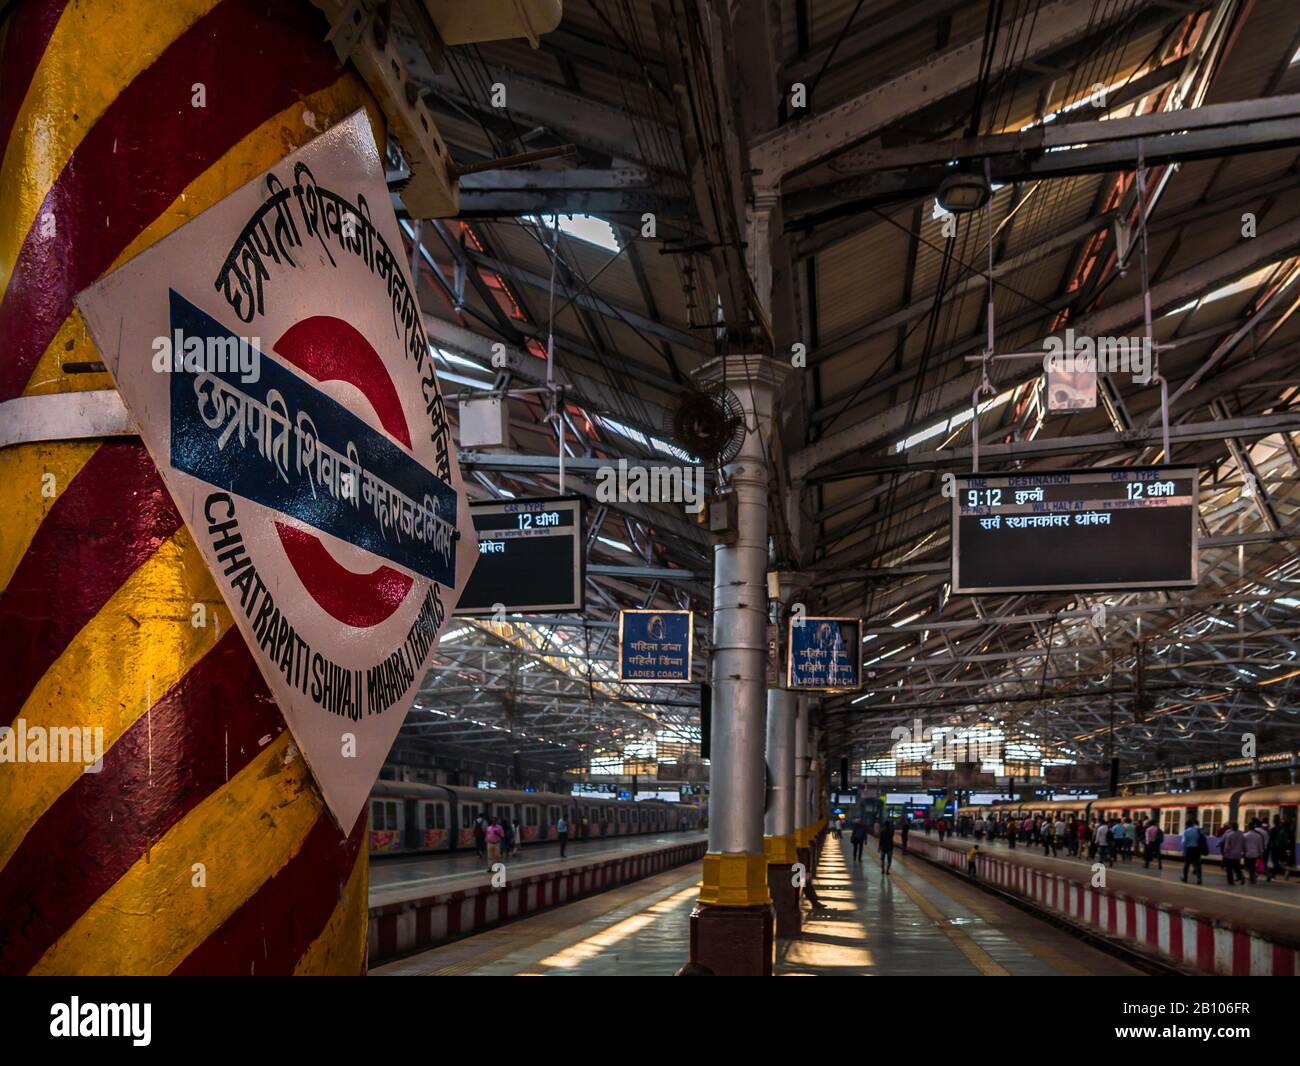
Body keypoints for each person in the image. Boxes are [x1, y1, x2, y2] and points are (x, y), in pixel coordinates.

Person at [1181, 817, 1205, 885]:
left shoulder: (1186, 831)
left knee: (1186, 865)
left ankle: (1185, 878)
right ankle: (1199, 879)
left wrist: (1183, 851)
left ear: (1186, 825)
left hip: (1188, 849)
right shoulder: (1197, 830)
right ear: (1192, 824)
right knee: (1198, 865)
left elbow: (1183, 842)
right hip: (1196, 850)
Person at [1243, 820, 1267, 885]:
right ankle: (1253, 877)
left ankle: (1252, 877)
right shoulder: (1258, 836)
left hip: (1247, 853)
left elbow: (1243, 845)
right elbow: (1260, 846)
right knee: (1253, 866)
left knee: (1248, 867)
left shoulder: (1245, 835)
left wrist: (1243, 852)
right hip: (1255, 854)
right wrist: (1261, 854)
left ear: (1248, 827)